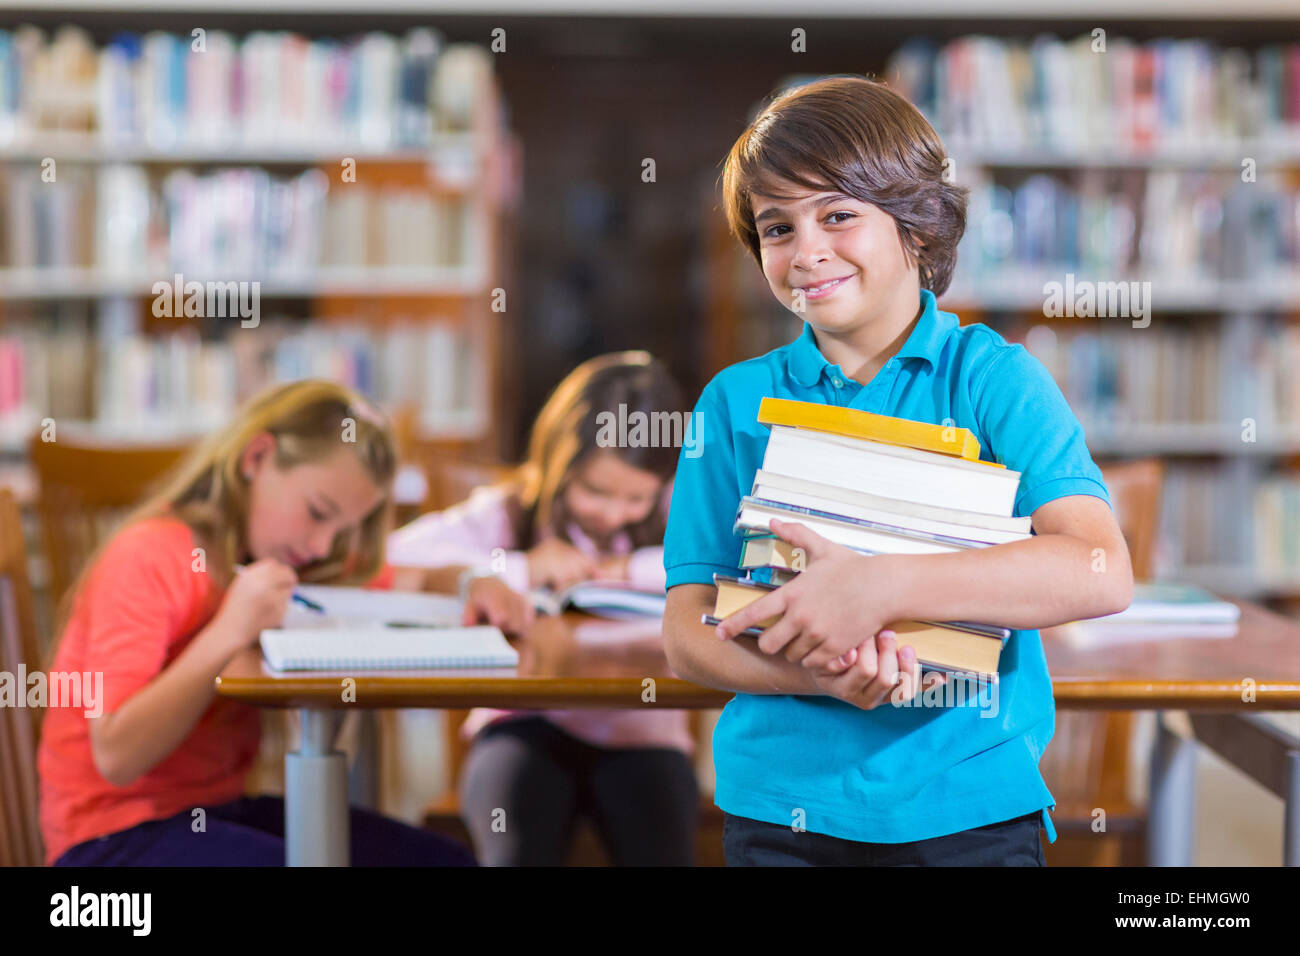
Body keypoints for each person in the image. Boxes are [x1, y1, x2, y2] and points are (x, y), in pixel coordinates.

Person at [661, 76, 1134, 866]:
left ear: (916, 224)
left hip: (969, 802)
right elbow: (686, 633)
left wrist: (880, 587)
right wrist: (831, 676)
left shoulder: (994, 379)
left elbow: (1100, 570)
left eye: (838, 214)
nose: (806, 251)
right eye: (777, 228)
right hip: (782, 808)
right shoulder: (732, 402)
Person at [39, 380, 476, 866]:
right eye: (318, 513)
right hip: (106, 845)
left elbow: (404, 582)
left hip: (214, 813)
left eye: (342, 532)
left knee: (443, 862)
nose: (320, 547)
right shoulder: (150, 556)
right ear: (256, 458)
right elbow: (116, 754)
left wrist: (470, 584)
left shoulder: (273, 562)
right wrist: (230, 630)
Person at [387, 352, 698, 866]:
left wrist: (628, 570)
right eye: (595, 491)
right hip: (521, 723)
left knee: (663, 841)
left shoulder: (676, 517)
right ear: (558, 462)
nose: (613, 513)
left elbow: (733, 568)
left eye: (634, 499)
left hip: (642, 733)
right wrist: (521, 566)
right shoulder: (513, 510)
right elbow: (398, 554)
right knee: (514, 842)